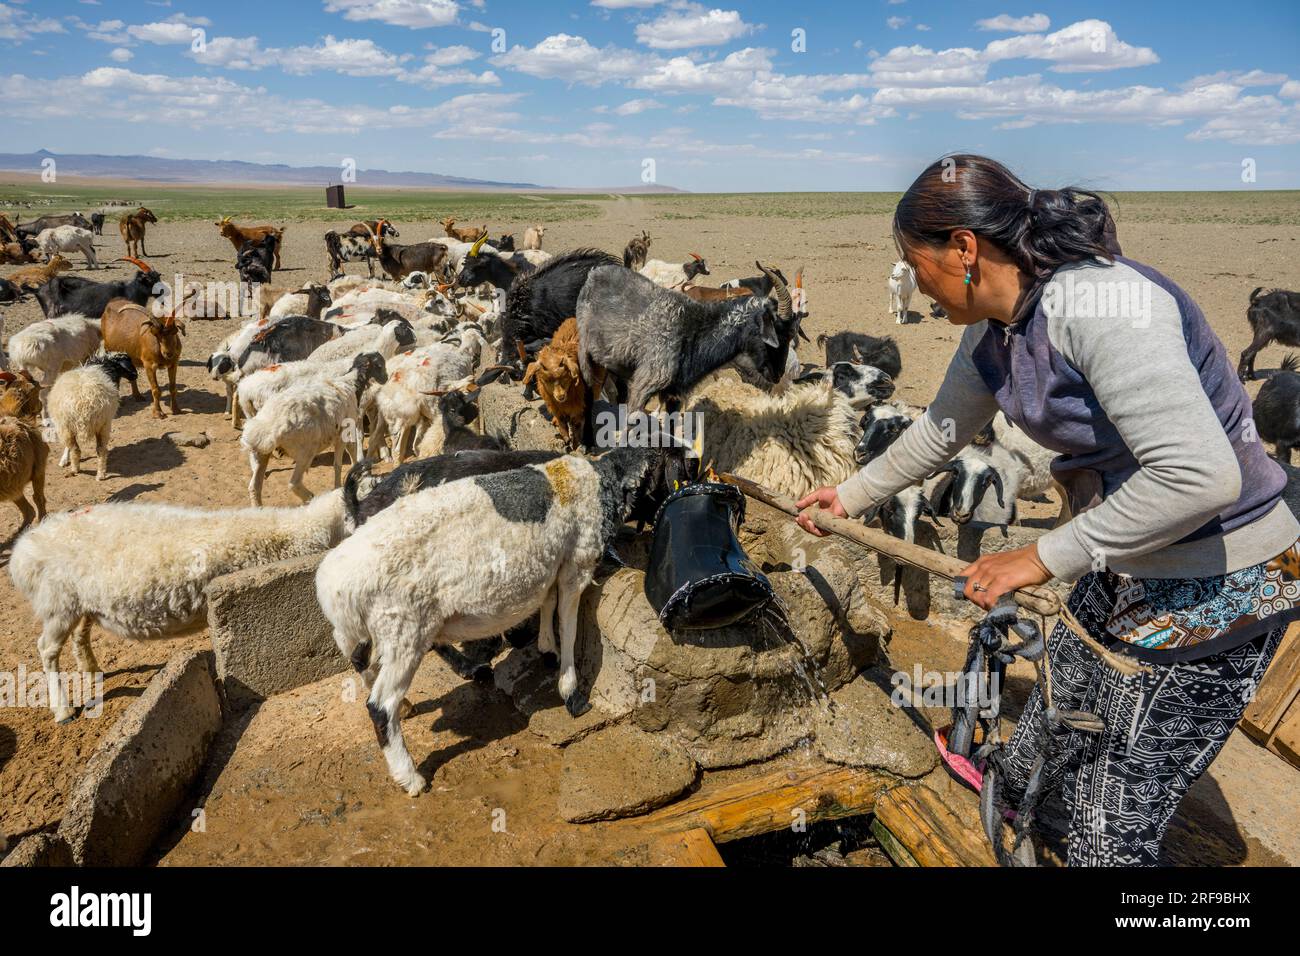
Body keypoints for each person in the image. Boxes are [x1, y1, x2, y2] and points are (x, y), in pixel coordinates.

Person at [795, 154, 1300, 866]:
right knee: (1048, 730)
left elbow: (1199, 475)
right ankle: (1033, 826)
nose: (910, 281)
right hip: (1131, 552)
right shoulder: (994, 328)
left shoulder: (1104, 307)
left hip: (1227, 573)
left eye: (914, 262)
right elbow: (943, 429)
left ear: (964, 250)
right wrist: (847, 496)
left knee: (1112, 826)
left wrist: (1038, 555)